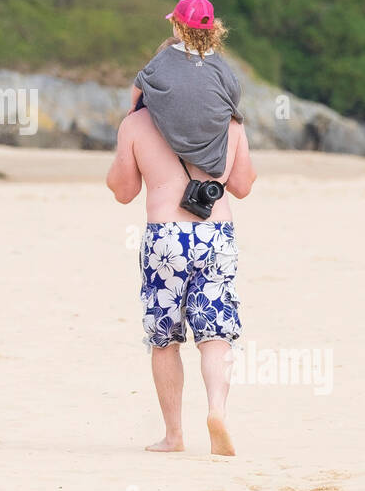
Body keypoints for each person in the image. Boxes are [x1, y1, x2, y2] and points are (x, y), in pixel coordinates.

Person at [106, 111, 256, 456]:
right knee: (216, 335)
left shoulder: (137, 123)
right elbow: (243, 186)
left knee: (165, 339)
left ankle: (174, 435)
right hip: (215, 235)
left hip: (165, 237)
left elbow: (124, 191)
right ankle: (216, 410)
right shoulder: (230, 122)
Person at [128, 0, 241, 179]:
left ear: (179, 27)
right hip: (210, 140)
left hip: (172, 132)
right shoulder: (218, 63)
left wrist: (134, 105)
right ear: (212, 30)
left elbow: (141, 81)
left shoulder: (166, 57)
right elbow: (234, 92)